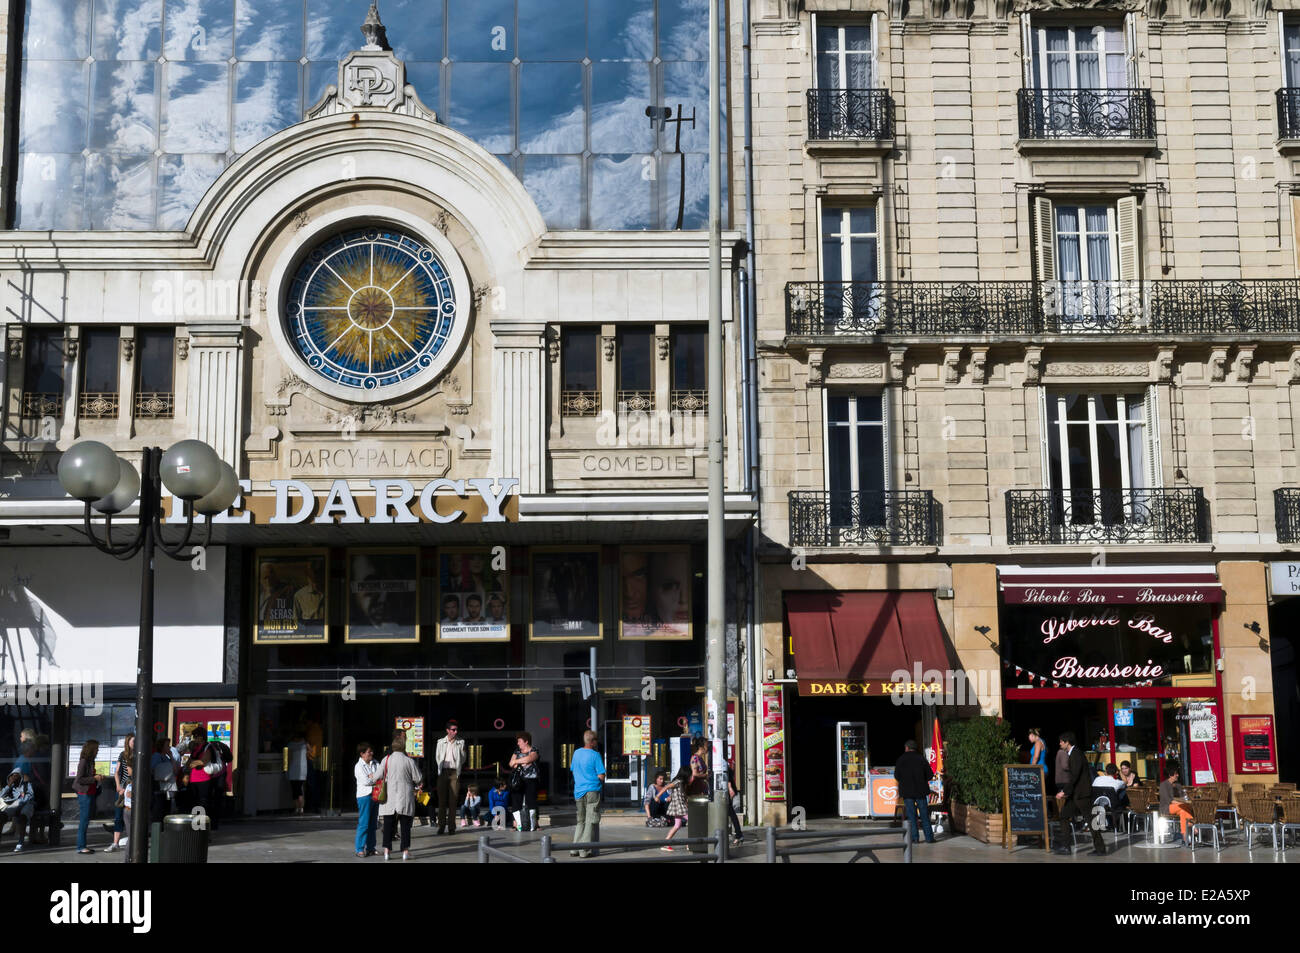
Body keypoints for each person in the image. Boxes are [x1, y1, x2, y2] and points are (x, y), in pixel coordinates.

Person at [1054, 731, 1106, 856]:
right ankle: (1066, 847)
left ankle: (1100, 849)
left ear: (1067, 742)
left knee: (1091, 820)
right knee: (1064, 816)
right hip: (1076, 794)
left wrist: (1064, 792)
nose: (1060, 744)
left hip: (1082, 794)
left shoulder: (1076, 754)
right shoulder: (1073, 754)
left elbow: (1075, 776)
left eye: (1062, 741)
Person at [377, 733, 423, 861]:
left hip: (389, 798)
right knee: (405, 826)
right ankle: (405, 852)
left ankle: (387, 851)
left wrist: (371, 778)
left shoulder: (385, 760)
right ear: (403, 747)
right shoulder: (409, 761)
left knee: (388, 825)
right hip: (405, 798)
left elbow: (377, 777)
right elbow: (418, 778)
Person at [570, 729, 606, 858]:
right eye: (596, 740)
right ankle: (584, 850)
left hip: (578, 791)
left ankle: (574, 848)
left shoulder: (576, 753)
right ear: (592, 741)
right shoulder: (595, 755)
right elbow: (601, 775)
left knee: (581, 821)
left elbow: (573, 770)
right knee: (591, 820)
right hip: (592, 790)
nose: (597, 742)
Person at [895, 739, 935, 844]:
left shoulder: (901, 759)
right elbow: (930, 775)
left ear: (907, 748)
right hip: (921, 792)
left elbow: (896, 776)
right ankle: (929, 838)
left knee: (911, 815)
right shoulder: (921, 758)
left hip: (907, 792)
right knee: (924, 815)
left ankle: (914, 838)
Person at [435, 720, 466, 835]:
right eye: (453, 730)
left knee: (453, 801)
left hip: (454, 772)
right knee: (441, 801)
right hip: (443, 772)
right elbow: (437, 757)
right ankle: (441, 826)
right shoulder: (440, 742)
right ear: (448, 730)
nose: (455, 731)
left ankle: (452, 827)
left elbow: (463, 759)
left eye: (456, 729)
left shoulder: (460, 742)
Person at [72, 741, 102, 855]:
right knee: (84, 821)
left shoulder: (90, 761)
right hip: (84, 794)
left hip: (90, 792)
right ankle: (81, 846)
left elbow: (88, 776)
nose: (98, 751)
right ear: (91, 749)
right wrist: (94, 778)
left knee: (86, 820)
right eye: (96, 749)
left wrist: (96, 777)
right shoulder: (84, 761)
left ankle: (82, 845)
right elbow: (80, 779)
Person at [106, 733, 134, 853]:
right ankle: (115, 842)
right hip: (123, 788)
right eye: (133, 741)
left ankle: (131, 840)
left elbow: (133, 773)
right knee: (118, 816)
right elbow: (117, 772)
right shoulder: (123, 754)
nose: (134, 743)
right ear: (128, 742)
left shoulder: (138, 754)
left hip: (133, 789)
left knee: (131, 815)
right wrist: (118, 786)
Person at [508, 731, 540, 832]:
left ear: (526, 741)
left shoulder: (534, 750)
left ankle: (534, 824)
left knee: (532, 801)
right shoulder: (516, 752)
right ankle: (516, 824)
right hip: (518, 780)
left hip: (531, 780)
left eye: (519, 741)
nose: (518, 743)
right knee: (516, 801)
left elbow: (529, 759)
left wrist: (517, 761)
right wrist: (518, 761)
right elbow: (510, 763)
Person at [353, 743, 379, 858]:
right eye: (369, 752)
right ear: (362, 754)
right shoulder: (358, 766)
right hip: (364, 796)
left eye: (371, 751)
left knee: (373, 824)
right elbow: (365, 781)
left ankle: (371, 848)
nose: (371, 754)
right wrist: (374, 777)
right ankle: (359, 848)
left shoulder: (375, 763)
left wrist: (372, 777)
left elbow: (381, 775)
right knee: (364, 823)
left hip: (375, 795)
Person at [1, 771, 36, 852]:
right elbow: (1, 796)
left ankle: (20, 842)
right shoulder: (11, 786)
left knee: (22, 817)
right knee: (2, 815)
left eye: (16, 776)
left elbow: (30, 796)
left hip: (26, 804)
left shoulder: (26, 784)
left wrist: (20, 801)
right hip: (15, 804)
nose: (14, 778)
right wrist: (9, 785)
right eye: (12, 776)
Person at [1159, 765, 1192, 844]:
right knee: (1184, 806)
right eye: (1175, 774)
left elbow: (1182, 797)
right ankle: (1192, 826)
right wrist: (1181, 802)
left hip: (1178, 807)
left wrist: (1184, 798)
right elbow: (1169, 800)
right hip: (1166, 808)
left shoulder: (1178, 785)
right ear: (1170, 775)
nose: (1178, 775)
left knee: (1183, 812)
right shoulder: (1163, 785)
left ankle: (1184, 836)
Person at [661, 766, 692, 851]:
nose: (690, 776)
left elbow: (683, 795)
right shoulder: (678, 781)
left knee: (677, 825)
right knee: (693, 822)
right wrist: (658, 795)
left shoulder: (682, 783)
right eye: (689, 775)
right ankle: (689, 844)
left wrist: (686, 803)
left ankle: (666, 844)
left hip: (679, 806)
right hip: (679, 807)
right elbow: (666, 787)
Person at [150, 737, 177, 822]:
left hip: (167, 787)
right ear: (161, 747)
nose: (169, 748)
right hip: (159, 786)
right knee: (159, 808)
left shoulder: (166, 757)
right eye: (167, 745)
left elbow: (175, 770)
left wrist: (171, 757)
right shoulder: (156, 756)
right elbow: (153, 769)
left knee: (165, 808)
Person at [287, 733, 308, 815]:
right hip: (303, 770)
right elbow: (311, 752)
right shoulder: (305, 744)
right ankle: (301, 808)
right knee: (299, 790)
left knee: (295, 790)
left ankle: (296, 808)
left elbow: (288, 758)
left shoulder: (290, 745)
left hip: (293, 770)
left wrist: (286, 769)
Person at [725, 762, 744, 846]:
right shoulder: (726, 764)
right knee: (731, 815)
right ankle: (738, 834)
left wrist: (730, 789)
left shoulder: (723, 765)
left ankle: (738, 835)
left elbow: (728, 779)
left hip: (726, 794)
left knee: (731, 814)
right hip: (726, 793)